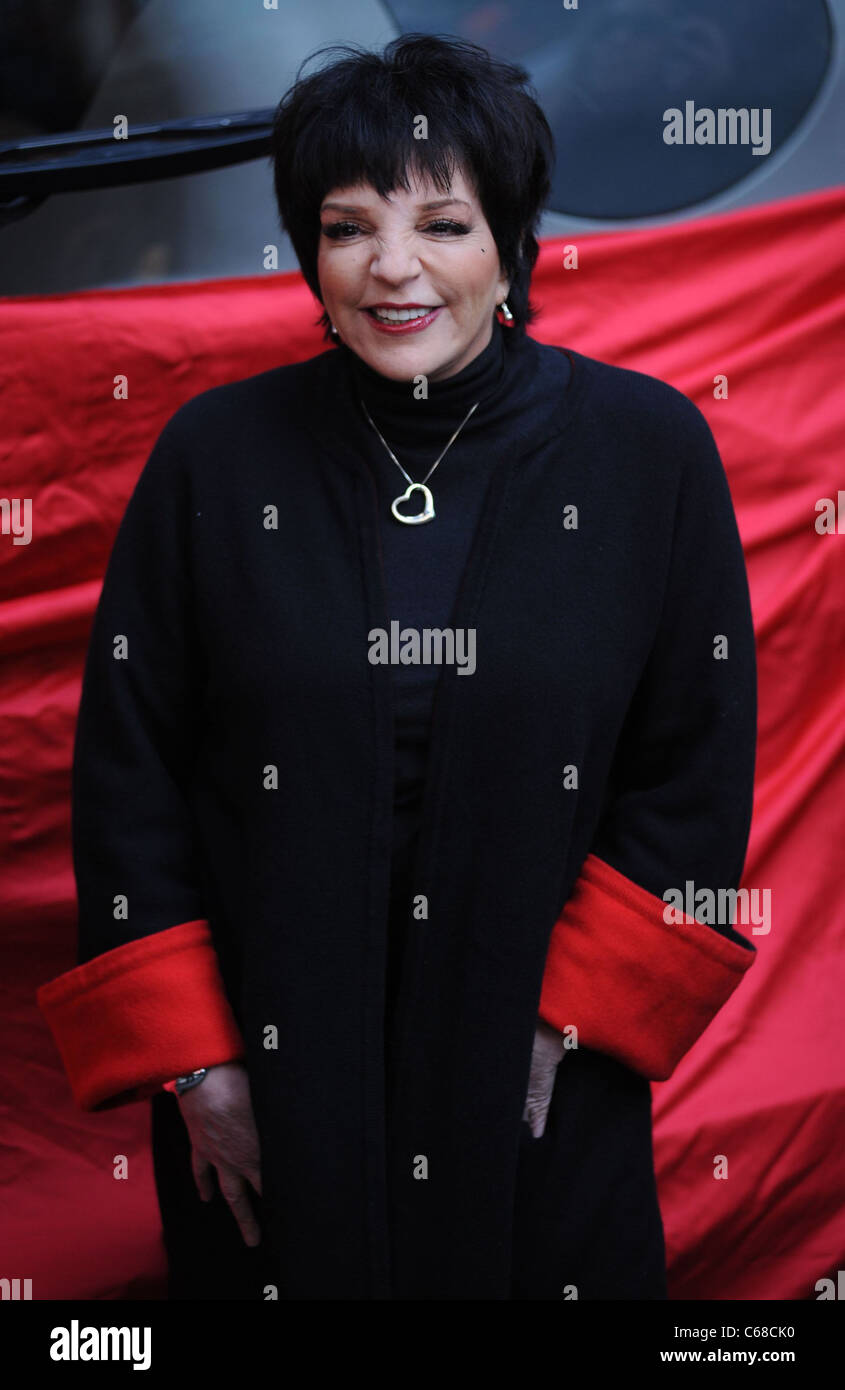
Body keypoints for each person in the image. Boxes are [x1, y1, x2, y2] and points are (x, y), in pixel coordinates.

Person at [37, 33, 758, 1301]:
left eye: (442, 223)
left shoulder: (646, 456)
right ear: (308, 253)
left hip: (539, 1070)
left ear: (512, 244)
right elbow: (126, 780)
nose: (392, 268)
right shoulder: (217, 458)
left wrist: (561, 1030)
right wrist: (203, 1074)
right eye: (346, 226)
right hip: (267, 1083)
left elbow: (690, 770)